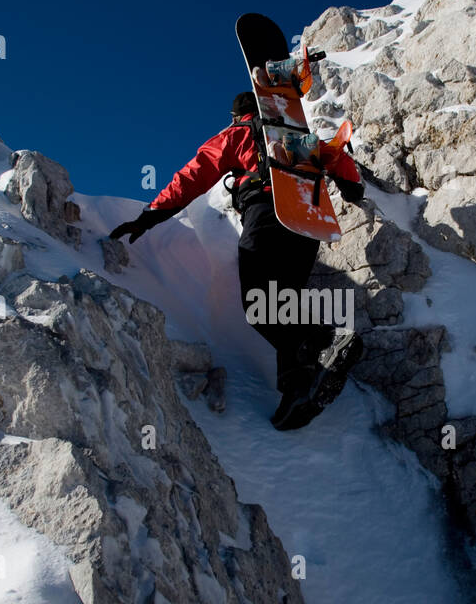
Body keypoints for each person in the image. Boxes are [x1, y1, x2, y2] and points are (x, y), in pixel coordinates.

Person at [109, 92, 365, 429]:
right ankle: (297, 388)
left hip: (268, 212)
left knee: (259, 302)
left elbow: (194, 175)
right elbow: (337, 161)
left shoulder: (238, 133)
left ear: (237, 115)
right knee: (282, 300)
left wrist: (150, 215)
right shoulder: (298, 139)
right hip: (307, 223)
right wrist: (353, 191)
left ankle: (327, 340)